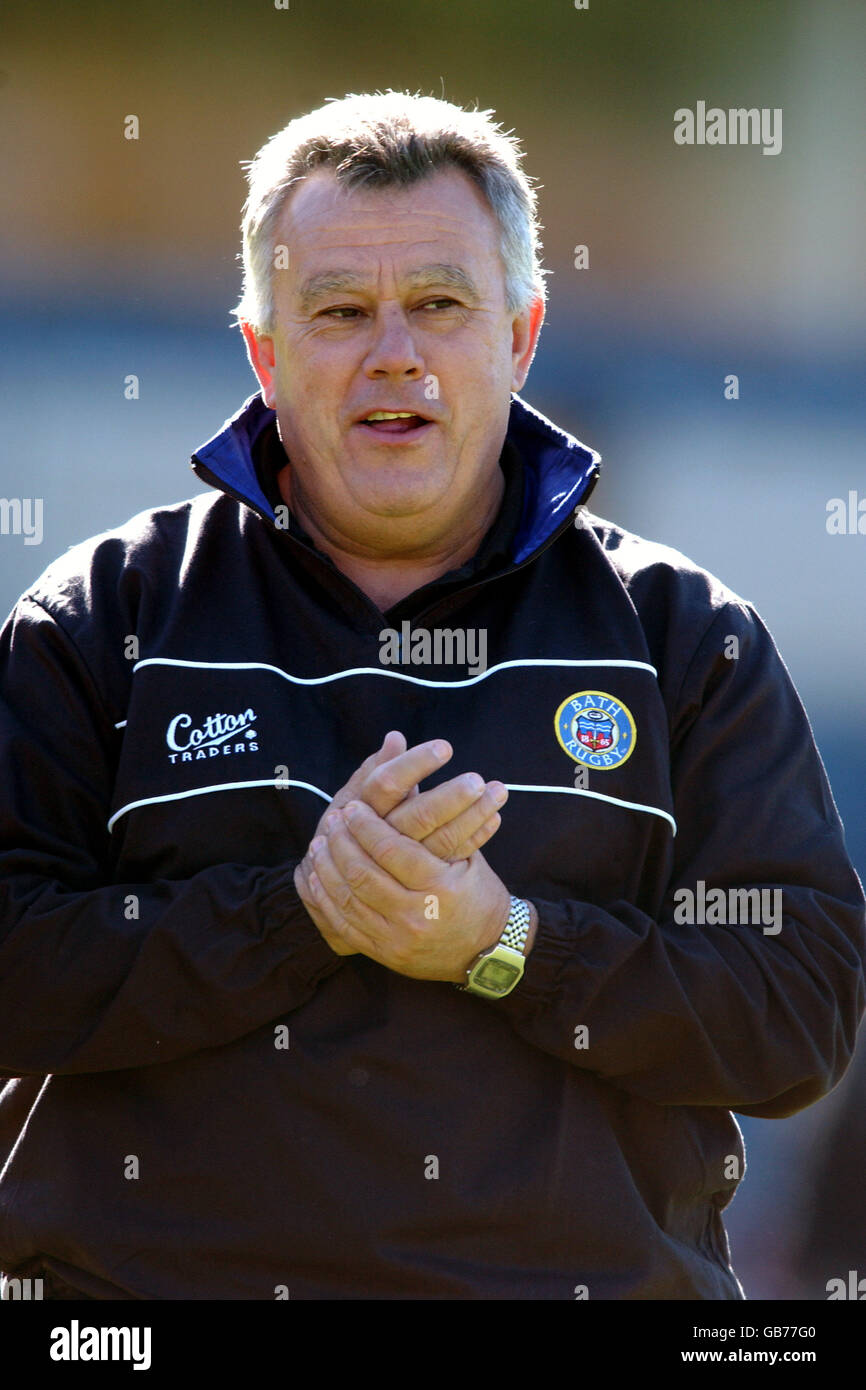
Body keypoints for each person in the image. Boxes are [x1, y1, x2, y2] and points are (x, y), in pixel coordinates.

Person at [0, 89, 863, 1302]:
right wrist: (294, 915)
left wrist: (503, 944)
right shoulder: (101, 618)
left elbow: (800, 1013)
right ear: (262, 348)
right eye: (340, 309)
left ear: (519, 334)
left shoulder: (682, 636)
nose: (392, 351)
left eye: (440, 305)